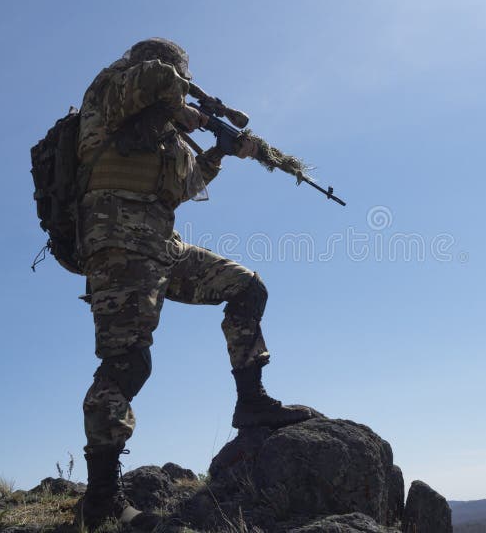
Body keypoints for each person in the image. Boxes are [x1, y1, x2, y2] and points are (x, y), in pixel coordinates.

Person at [74, 38, 314, 529]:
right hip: (117, 243)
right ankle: (101, 500)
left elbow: (182, 188)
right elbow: (155, 79)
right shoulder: (110, 91)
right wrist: (196, 106)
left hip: (162, 244)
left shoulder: (163, 128)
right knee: (126, 364)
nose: (180, 86)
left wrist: (221, 151)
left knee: (247, 288)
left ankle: (251, 403)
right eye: (181, 75)